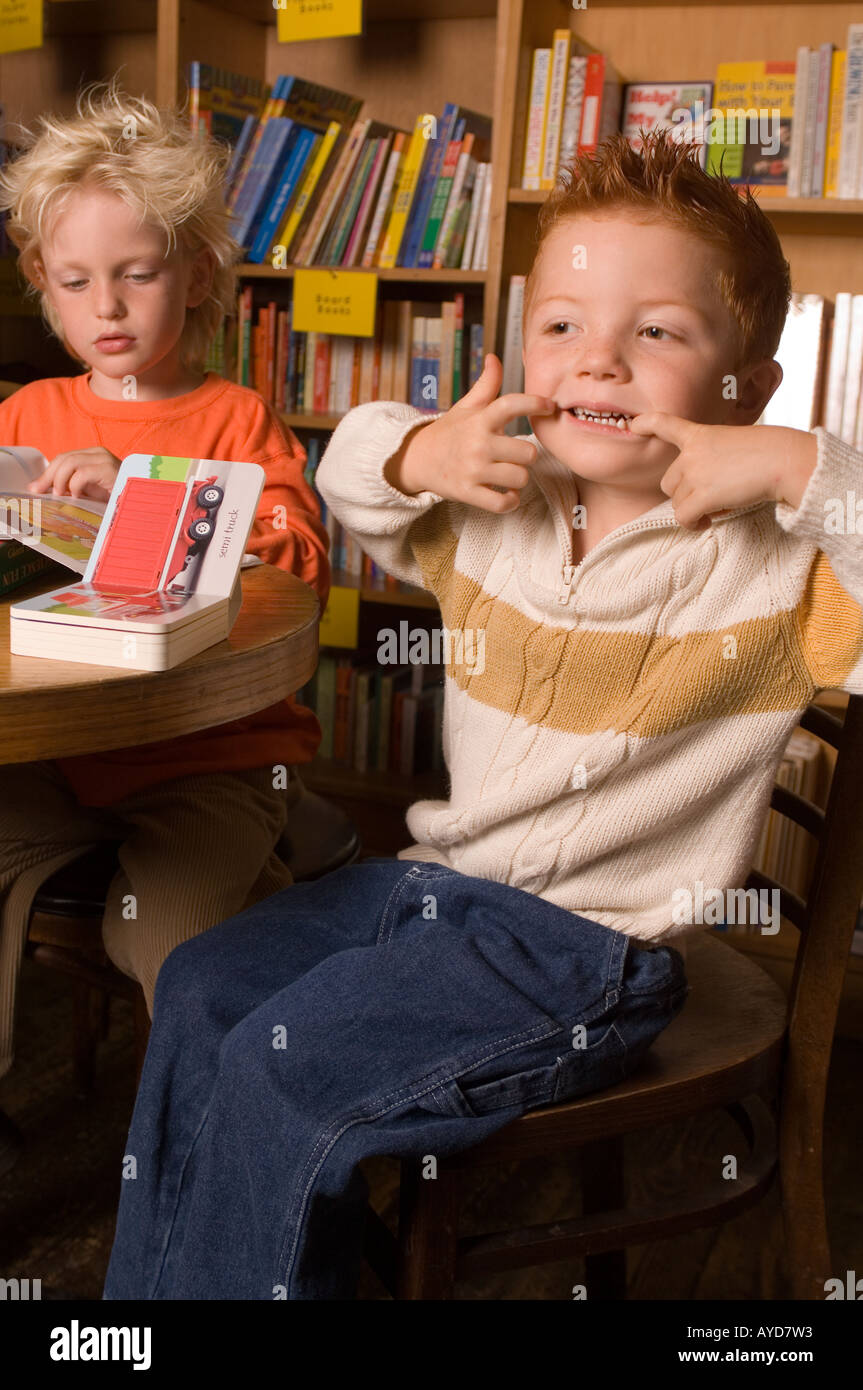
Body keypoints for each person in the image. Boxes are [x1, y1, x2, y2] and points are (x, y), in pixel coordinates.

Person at [104, 129, 863, 1300]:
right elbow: (347, 470)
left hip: (583, 952)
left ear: (743, 388)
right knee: (203, 981)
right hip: (425, 893)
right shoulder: (497, 497)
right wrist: (418, 447)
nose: (595, 361)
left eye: (654, 332)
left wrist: (796, 469)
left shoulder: (773, 574)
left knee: (277, 1070)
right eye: (559, 325)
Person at [0, 80, 329, 1176]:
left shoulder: (234, 417)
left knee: (165, 940)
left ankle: (210, 1158)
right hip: (51, 751)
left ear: (194, 277)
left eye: (136, 274)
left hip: (207, 757)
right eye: (76, 279)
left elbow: (294, 561)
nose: (108, 306)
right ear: (42, 285)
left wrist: (147, 492)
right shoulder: (25, 414)